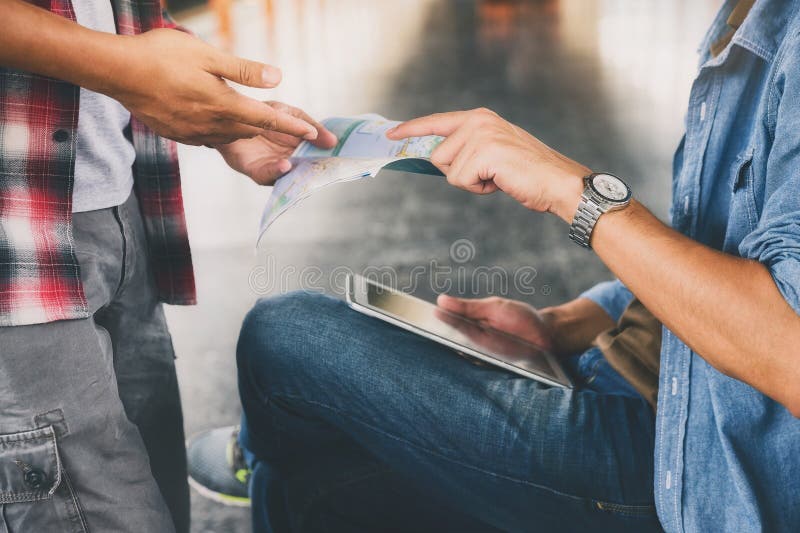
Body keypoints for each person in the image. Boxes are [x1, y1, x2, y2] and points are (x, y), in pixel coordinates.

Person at [187, 0, 800, 531]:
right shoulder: (746, 19)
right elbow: (708, 251)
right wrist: (560, 326)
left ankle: (254, 444)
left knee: (287, 336)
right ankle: (263, 456)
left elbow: (788, 351)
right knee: (303, 487)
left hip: (686, 455)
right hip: (632, 380)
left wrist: (577, 192)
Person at [0, 0, 336, 531]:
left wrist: (222, 114)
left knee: (157, 493)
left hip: (123, 206)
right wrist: (127, 69)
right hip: (15, 237)